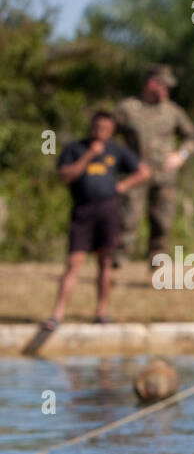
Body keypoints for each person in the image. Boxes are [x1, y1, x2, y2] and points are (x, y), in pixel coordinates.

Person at [44, 110, 151, 329]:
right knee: (74, 262)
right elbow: (65, 176)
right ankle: (58, 313)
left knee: (105, 262)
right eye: (97, 127)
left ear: (111, 129)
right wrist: (88, 156)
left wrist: (123, 186)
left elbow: (144, 172)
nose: (100, 131)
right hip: (83, 211)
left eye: (105, 128)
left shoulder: (117, 150)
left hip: (109, 211)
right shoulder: (75, 148)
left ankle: (101, 311)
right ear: (91, 126)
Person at [113, 64, 194, 265]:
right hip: (135, 175)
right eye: (164, 86)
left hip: (164, 177)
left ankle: (157, 266)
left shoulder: (173, 111)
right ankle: (116, 263)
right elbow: (108, 136)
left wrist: (181, 155)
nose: (167, 91)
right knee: (127, 220)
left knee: (163, 223)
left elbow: (191, 138)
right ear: (152, 83)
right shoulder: (127, 108)